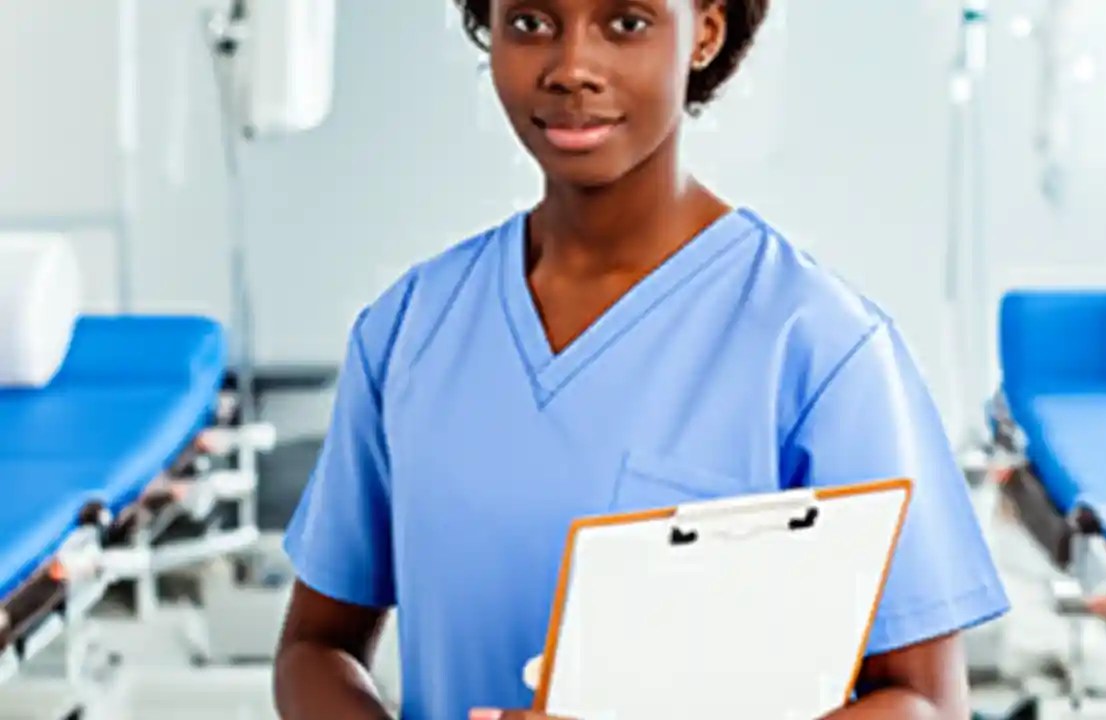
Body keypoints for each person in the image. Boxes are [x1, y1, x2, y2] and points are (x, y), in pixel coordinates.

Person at [273, 1, 1010, 718]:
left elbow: (923, 702)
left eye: (626, 23)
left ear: (705, 32)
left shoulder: (817, 348)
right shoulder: (411, 327)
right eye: (531, 23)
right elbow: (315, 646)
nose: (572, 68)